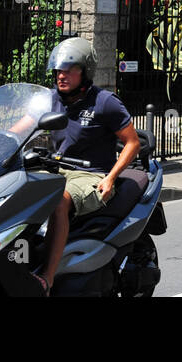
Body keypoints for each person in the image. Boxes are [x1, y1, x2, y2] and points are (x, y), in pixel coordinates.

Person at [35, 37, 140, 295]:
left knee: (58, 201)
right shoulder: (50, 99)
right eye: (59, 71)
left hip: (90, 174)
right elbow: (22, 125)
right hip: (56, 167)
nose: (62, 76)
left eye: (69, 70)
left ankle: (46, 278)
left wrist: (111, 178)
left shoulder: (104, 102)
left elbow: (132, 143)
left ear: (85, 72)